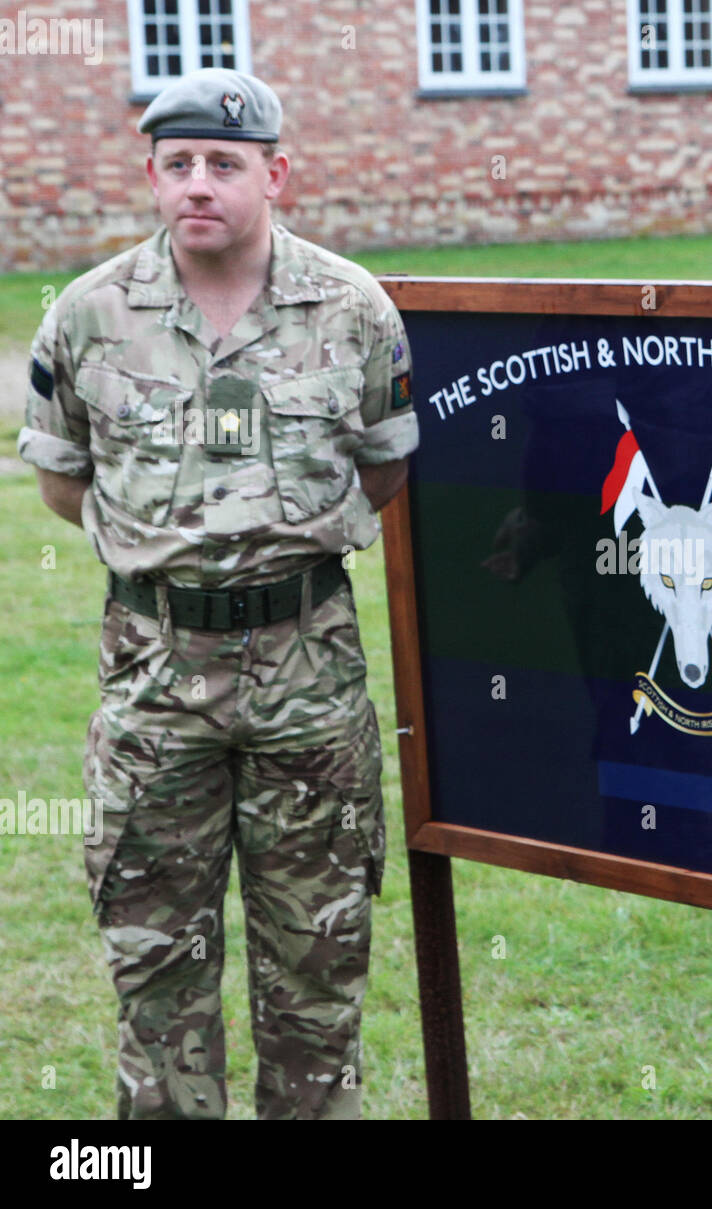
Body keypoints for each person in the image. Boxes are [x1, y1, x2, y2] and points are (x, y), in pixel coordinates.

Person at [19, 68, 418, 1120]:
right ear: (151, 174)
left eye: (225, 165)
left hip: (309, 681)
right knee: (154, 975)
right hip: (156, 688)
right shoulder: (88, 315)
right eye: (179, 164)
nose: (199, 184)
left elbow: (383, 468)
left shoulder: (353, 308)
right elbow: (63, 478)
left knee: (318, 972)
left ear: (275, 174)